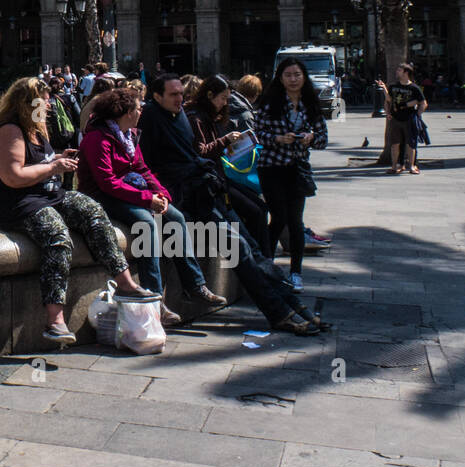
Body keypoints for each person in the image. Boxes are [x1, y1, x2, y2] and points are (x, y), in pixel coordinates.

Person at [139, 72, 321, 335]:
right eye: (173, 94)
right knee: (242, 253)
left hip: (209, 193)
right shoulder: (152, 118)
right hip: (191, 202)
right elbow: (148, 166)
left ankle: (294, 306)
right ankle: (280, 313)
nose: (180, 99)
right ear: (157, 96)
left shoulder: (179, 116)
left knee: (254, 252)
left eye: (181, 93)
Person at [0, 77, 152, 344]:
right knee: (57, 236)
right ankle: (55, 320)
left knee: (92, 210)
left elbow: (37, 163)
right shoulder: (10, 131)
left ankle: (125, 283)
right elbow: (12, 177)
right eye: (44, 99)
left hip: (46, 194)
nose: (49, 104)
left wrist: (57, 158)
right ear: (28, 103)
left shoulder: (36, 129)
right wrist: (53, 167)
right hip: (16, 202)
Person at [78, 85, 227, 328]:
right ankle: (155, 297)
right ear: (125, 112)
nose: (141, 111)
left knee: (175, 216)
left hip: (130, 191)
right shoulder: (98, 138)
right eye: (138, 107)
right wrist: (147, 200)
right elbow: (107, 183)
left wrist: (161, 194)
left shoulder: (128, 135)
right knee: (146, 223)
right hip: (103, 197)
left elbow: (142, 169)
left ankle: (195, 285)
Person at [255, 59, 329, 294]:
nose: (293, 79)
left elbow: (323, 138)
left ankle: (296, 272)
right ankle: (264, 265)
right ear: (280, 77)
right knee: (279, 217)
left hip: (297, 168)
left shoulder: (310, 103)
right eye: (288, 75)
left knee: (296, 220)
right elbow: (257, 134)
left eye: (297, 74)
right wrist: (278, 139)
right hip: (272, 167)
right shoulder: (269, 103)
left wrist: (310, 137)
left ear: (304, 77)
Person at [186, 75, 273, 255]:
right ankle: (262, 261)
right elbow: (201, 151)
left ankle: (265, 259)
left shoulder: (211, 117)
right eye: (223, 99)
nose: (225, 103)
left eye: (227, 99)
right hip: (211, 183)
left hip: (221, 177)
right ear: (210, 95)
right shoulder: (196, 118)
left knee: (260, 208)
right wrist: (225, 140)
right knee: (252, 217)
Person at [377, 63, 426, 175]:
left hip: (409, 119)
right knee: (395, 143)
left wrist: (417, 115)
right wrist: (388, 112)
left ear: (406, 73)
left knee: (411, 144)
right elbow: (388, 100)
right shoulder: (394, 87)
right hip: (395, 119)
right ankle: (394, 166)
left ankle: (412, 166)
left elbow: (423, 103)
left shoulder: (414, 88)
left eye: (399, 70)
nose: (397, 72)